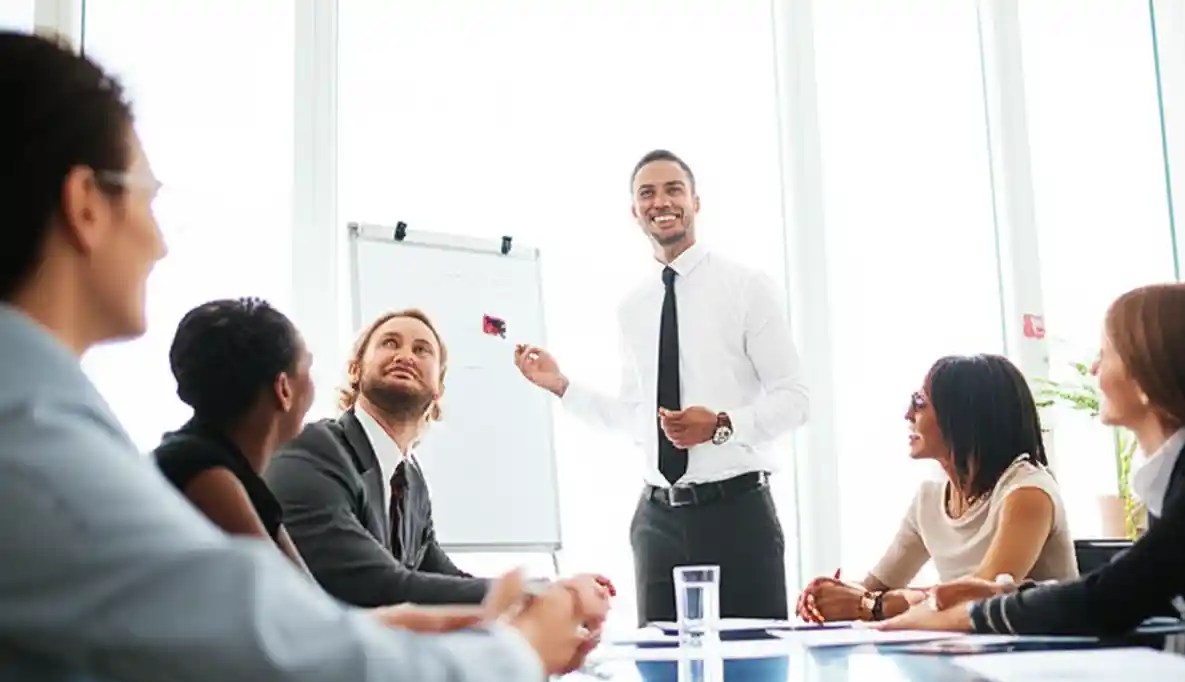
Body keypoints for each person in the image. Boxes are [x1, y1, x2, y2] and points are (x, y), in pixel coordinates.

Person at [0, 29, 607, 682]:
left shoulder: (50, 422)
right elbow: (281, 653)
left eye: (424, 349)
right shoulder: (32, 440)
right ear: (85, 205)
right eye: (147, 193)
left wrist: (415, 629)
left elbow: (244, 641)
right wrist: (521, 649)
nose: (161, 241)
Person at [877, 281, 1185, 636]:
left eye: (1107, 353)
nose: (1094, 368)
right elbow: (1156, 594)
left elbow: (1118, 596)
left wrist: (977, 614)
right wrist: (1010, 598)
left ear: (1149, 376)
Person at [514, 149, 810, 624]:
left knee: (753, 678)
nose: (661, 202)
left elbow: (795, 399)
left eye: (674, 189)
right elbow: (636, 417)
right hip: (657, 522)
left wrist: (720, 425)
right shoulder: (634, 307)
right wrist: (562, 386)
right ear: (635, 212)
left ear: (696, 201)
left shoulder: (746, 286)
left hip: (738, 514)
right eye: (646, 193)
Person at [265, 308, 617, 607]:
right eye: (389, 343)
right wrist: (537, 593)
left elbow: (443, 579)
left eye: (422, 350)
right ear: (356, 370)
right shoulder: (313, 450)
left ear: (438, 389)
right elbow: (375, 586)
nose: (405, 355)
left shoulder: (411, 481)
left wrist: (555, 591)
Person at [795, 354, 1078, 623]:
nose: (907, 415)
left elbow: (980, 597)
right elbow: (872, 587)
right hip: (976, 654)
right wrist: (829, 596)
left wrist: (875, 605)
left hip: (1041, 660)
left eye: (919, 402)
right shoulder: (929, 500)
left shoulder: (1028, 493)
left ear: (964, 415)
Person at [152, 298, 315, 574]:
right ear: (283, 389)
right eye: (308, 369)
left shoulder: (214, 463)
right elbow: (292, 602)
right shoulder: (202, 472)